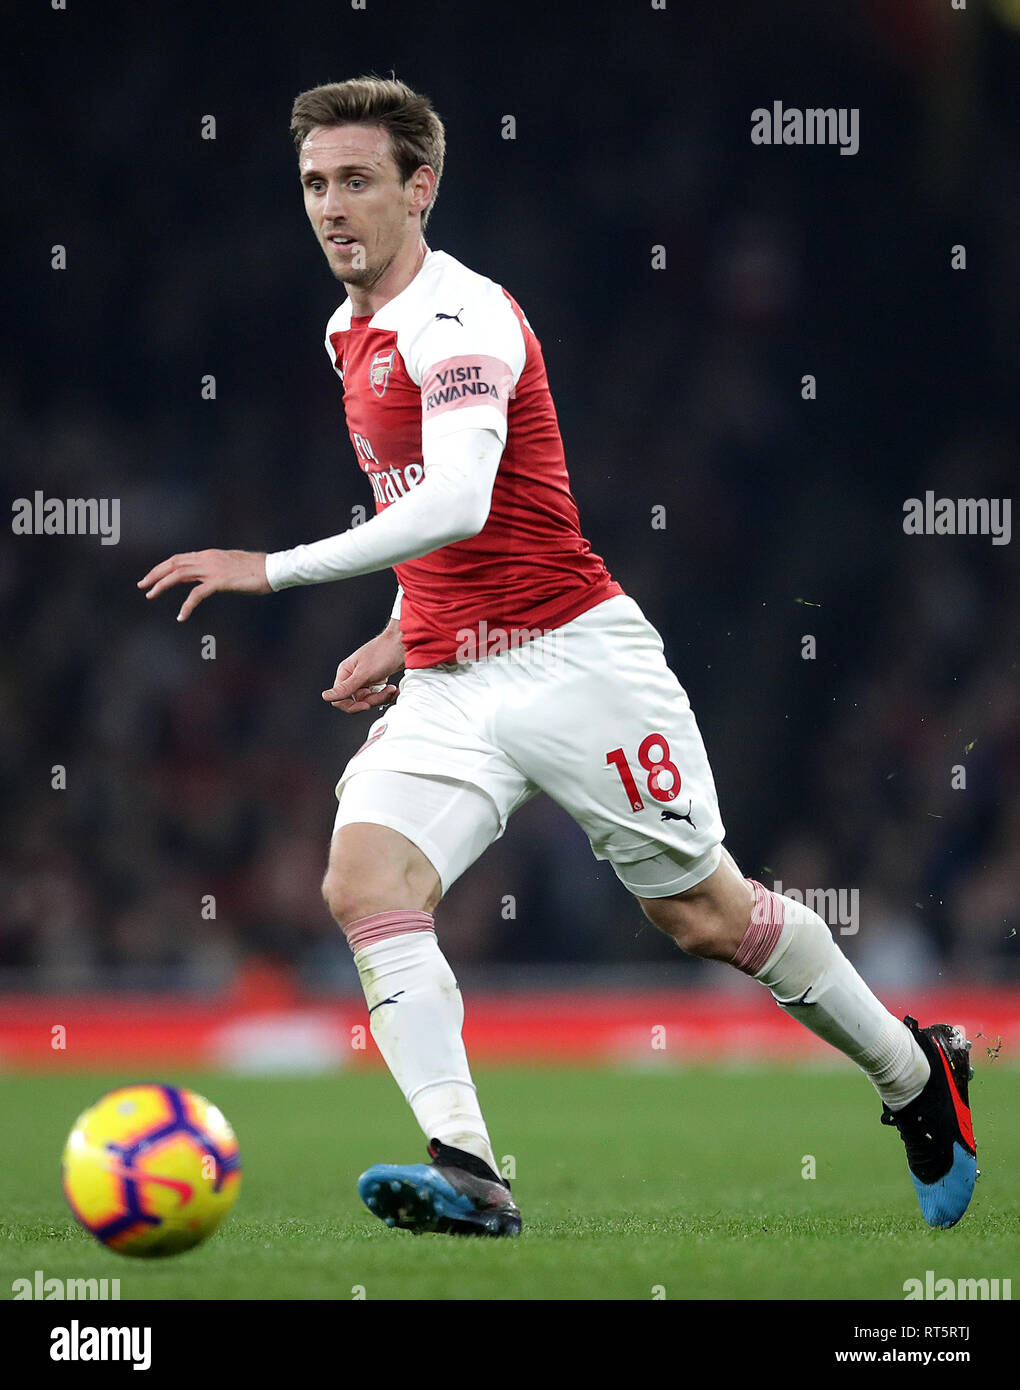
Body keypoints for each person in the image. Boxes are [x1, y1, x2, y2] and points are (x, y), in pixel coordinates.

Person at [138, 76, 977, 1238]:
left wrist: (270, 568)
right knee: (365, 885)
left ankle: (914, 1073)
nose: (331, 207)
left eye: (357, 181)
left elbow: (461, 497)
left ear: (419, 187)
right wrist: (402, 623)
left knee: (708, 917)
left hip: (574, 660)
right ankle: (471, 1168)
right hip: (448, 674)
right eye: (314, 184)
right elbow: (423, 515)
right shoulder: (345, 331)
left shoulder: (465, 318)